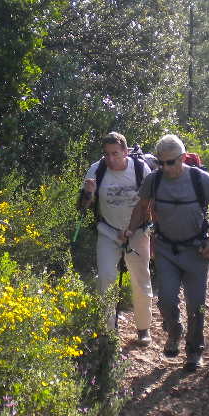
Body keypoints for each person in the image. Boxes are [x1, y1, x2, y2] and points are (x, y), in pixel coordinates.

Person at [121, 134, 209, 371]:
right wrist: (130, 229)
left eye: (171, 162)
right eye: (161, 163)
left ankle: (194, 351)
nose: (166, 168)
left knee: (196, 304)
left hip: (196, 251)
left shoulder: (201, 179)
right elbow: (141, 206)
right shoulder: (154, 180)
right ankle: (174, 332)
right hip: (166, 249)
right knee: (166, 299)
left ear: (182, 158)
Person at [79, 132, 154, 343]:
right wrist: (88, 193)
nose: (110, 159)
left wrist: (133, 228)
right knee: (105, 278)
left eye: (115, 154)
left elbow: (148, 204)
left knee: (141, 280)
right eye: (107, 155)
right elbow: (83, 207)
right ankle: (108, 332)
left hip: (137, 232)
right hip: (107, 231)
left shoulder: (140, 169)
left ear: (126, 152)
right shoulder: (97, 170)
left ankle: (143, 328)